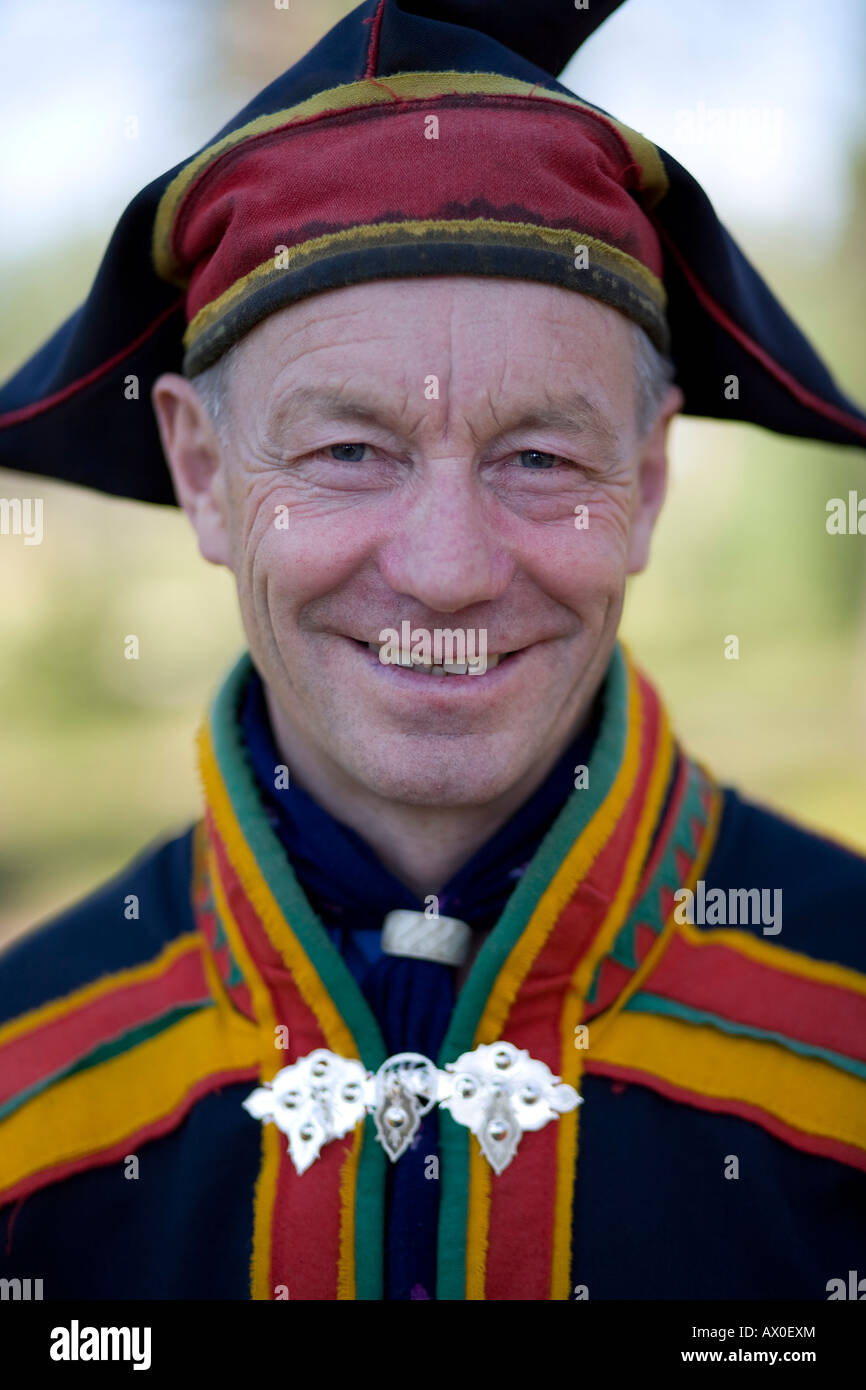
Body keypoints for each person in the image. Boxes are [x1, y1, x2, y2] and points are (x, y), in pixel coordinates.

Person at [0, 0, 864, 1302]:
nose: (446, 571)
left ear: (644, 475)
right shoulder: (25, 1081)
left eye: (539, 456)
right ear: (203, 473)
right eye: (348, 451)